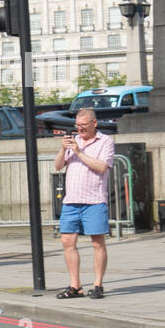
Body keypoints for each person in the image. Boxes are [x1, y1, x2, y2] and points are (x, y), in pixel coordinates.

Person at [53, 107, 115, 299]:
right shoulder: (74, 141)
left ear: (94, 123)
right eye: (77, 126)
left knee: (97, 243)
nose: (80, 129)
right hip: (71, 200)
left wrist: (78, 152)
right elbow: (57, 166)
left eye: (83, 125)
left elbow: (102, 167)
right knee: (67, 242)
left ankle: (98, 285)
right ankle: (75, 286)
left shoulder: (105, 142)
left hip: (94, 200)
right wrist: (64, 149)